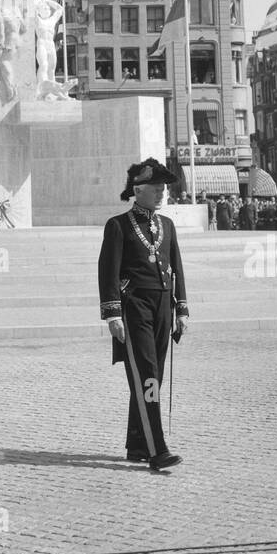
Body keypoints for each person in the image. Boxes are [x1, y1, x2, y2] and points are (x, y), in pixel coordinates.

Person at [98, 158, 188, 471]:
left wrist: (182, 308)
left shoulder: (168, 225)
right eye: (156, 188)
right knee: (146, 375)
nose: (163, 192)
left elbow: (177, 267)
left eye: (164, 188)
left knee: (154, 377)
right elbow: (108, 272)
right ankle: (156, 448)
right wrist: (112, 314)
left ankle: (137, 442)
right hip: (135, 308)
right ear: (138, 190)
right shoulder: (118, 226)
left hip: (163, 307)